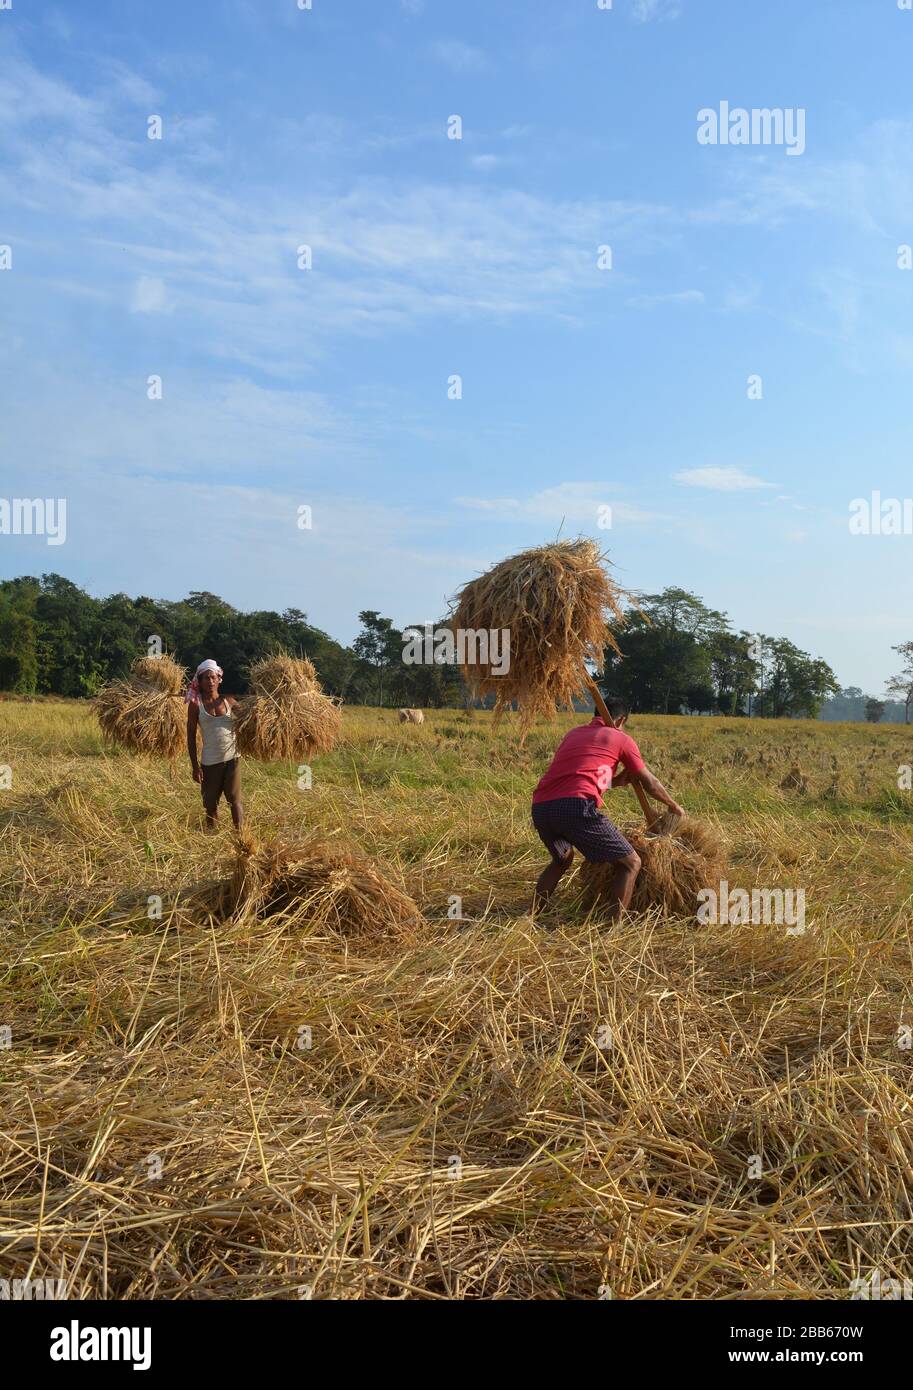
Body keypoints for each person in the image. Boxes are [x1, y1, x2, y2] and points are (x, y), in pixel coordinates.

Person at [530, 696, 684, 920]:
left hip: (542, 809)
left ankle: (533, 913)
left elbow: (579, 773)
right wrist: (673, 805)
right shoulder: (621, 739)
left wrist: (617, 781)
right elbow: (650, 782)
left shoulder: (573, 734)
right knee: (631, 863)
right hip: (576, 808)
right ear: (621, 720)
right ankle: (613, 928)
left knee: (562, 859)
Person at [186, 659, 243, 832]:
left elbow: (249, 720)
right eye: (205, 678)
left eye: (213, 677)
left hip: (233, 758)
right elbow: (190, 737)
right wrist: (195, 767)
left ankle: (241, 837)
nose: (210, 681)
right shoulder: (196, 705)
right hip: (210, 762)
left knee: (235, 800)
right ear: (200, 682)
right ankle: (212, 838)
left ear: (219, 679)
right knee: (210, 805)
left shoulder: (230, 702)